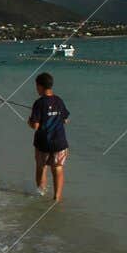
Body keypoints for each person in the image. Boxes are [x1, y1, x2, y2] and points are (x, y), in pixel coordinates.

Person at [28, 71, 71, 203]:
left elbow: (35, 125)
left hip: (43, 143)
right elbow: (65, 119)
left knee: (41, 167)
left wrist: (29, 121)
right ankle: (57, 198)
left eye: (36, 86)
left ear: (40, 86)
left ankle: (41, 194)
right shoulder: (59, 100)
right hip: (59, 142)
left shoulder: (39, 103)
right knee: (57, 168)